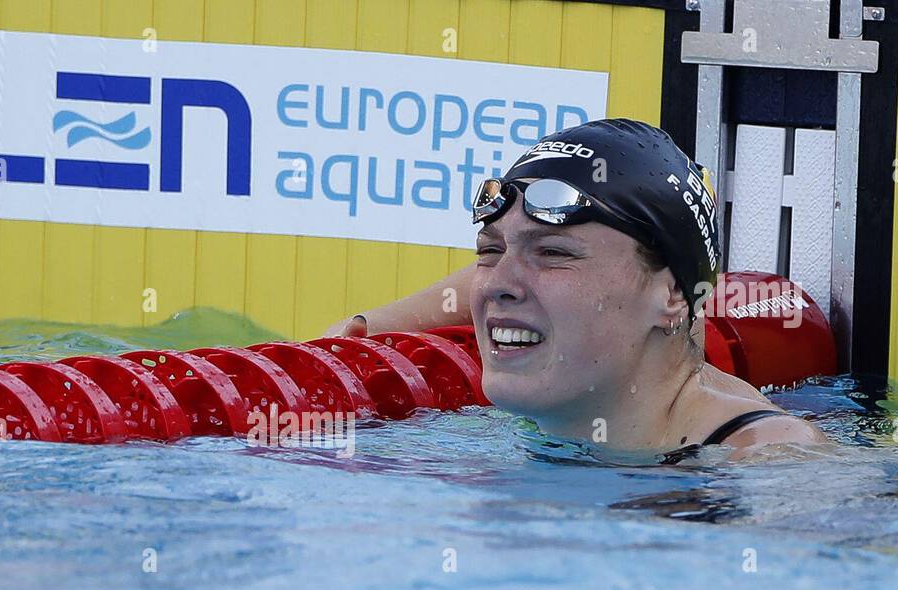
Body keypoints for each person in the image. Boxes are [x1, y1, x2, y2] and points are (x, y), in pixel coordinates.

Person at [324, 118, 827, 459]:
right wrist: (370, 328)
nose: (498, 285)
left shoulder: (765, 462)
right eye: (490, 250)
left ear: (673, 295)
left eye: (554, 253)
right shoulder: (579, 409)